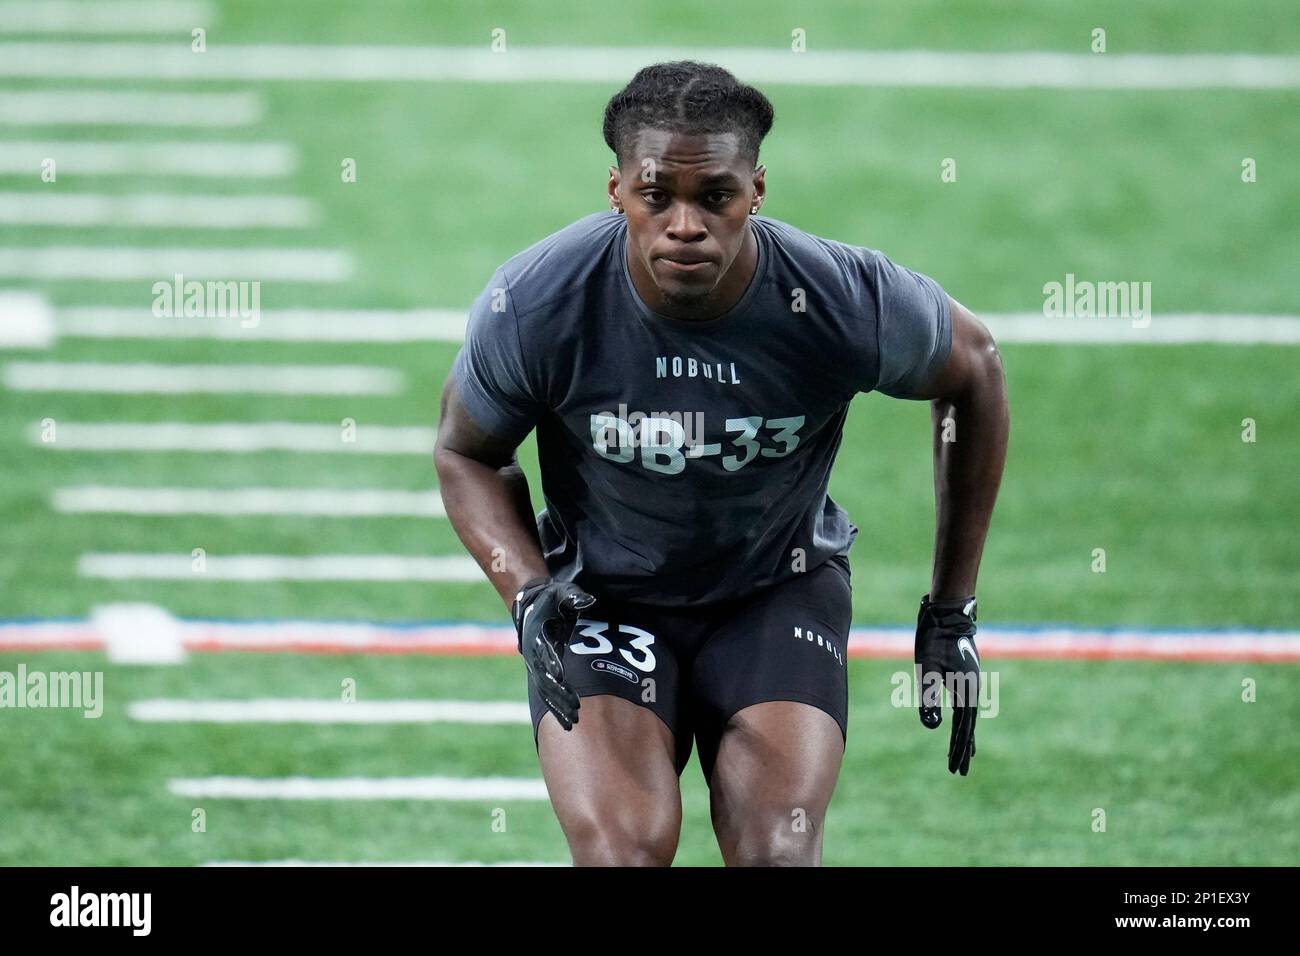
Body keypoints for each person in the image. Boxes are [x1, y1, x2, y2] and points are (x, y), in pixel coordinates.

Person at [435, 60, 1009, 866]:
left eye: (715, 197)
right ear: (615, 190)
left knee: (778, 850)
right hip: (603, 600)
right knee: (625, 852)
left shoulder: (835, 299)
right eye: (655, 195)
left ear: (757, 190)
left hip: (774, 588)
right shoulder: (538, 303)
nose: (684, 225)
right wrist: (527, 588)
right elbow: (467, 453)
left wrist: (953, 608)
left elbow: (974, 368)